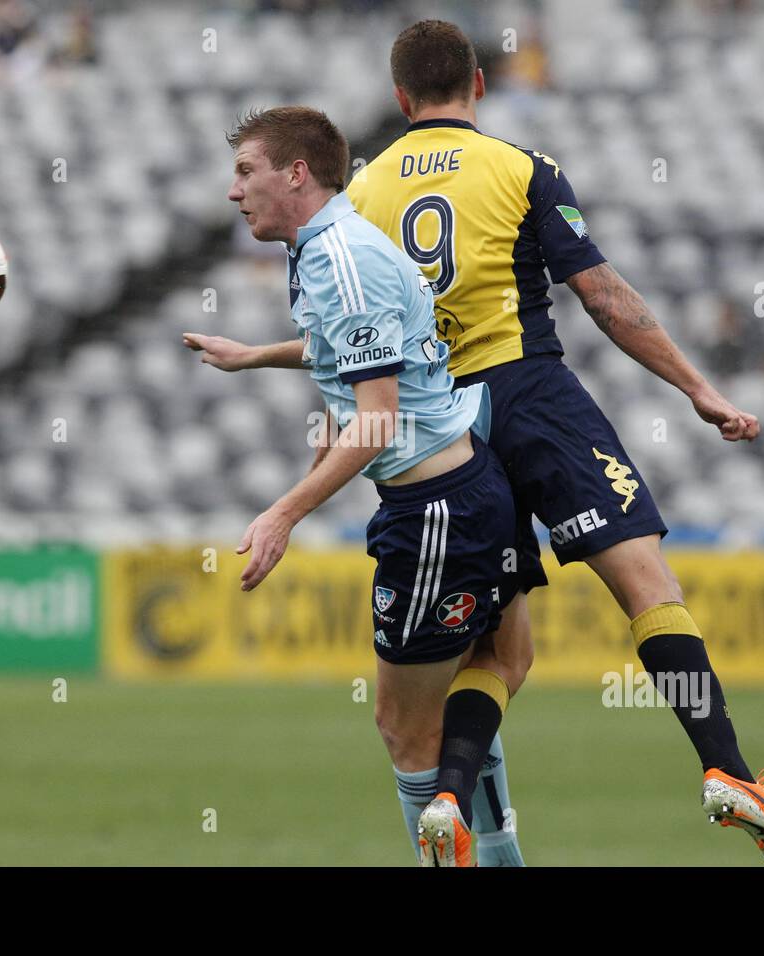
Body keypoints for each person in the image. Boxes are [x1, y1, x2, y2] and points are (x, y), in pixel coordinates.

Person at [187, 20, 764, 866]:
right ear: (477, 86)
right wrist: (698, 388)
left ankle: (449, 795)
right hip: (525, 391)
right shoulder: (519, 167)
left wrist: (262, 373)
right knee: (643, 583)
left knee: (497, 644)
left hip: (447, 420)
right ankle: (724, 766)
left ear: (400, 97)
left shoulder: (359, 197)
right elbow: (605, 297)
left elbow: (364, 351)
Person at [201, 106, 522, 866]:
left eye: (246, 171)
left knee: (402, 727)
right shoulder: (332, 248)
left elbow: (375, 421)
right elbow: (347, 347)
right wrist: (255, 358)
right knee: (476, 686)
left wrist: (284, 513)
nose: (232, 190)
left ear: (296, 174)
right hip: (464, 485)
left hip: (435, 509)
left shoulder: (338, 256)